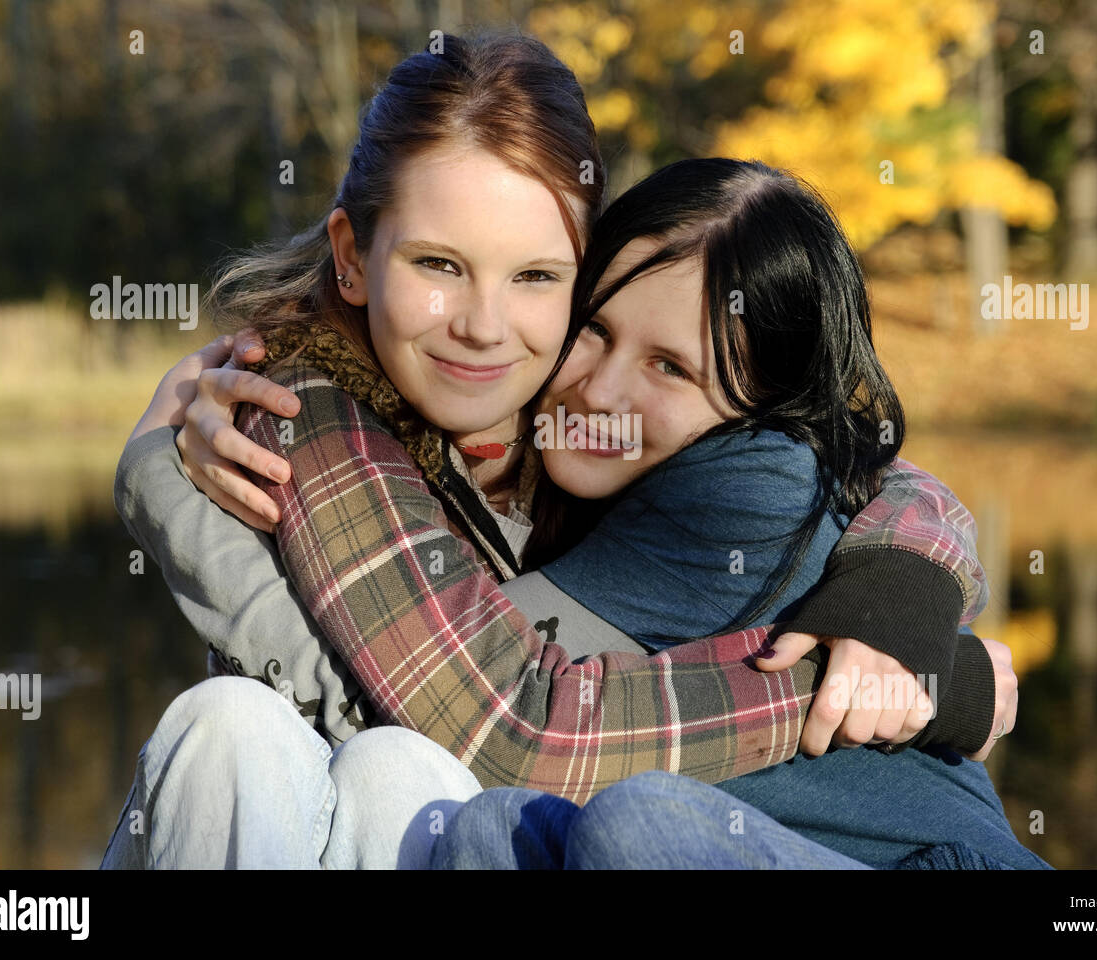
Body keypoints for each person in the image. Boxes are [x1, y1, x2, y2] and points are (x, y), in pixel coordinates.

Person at [103, 32, 1031, 869]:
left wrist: (909, 610)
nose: (485, 326)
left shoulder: (712, 477)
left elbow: (502, 720)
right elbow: (484, 714)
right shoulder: (314, 406)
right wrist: (157, 475)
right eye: (437, 264)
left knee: (513, 803)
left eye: (538, 278)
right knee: (331, 762)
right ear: (352, 256)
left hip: (912, 857)